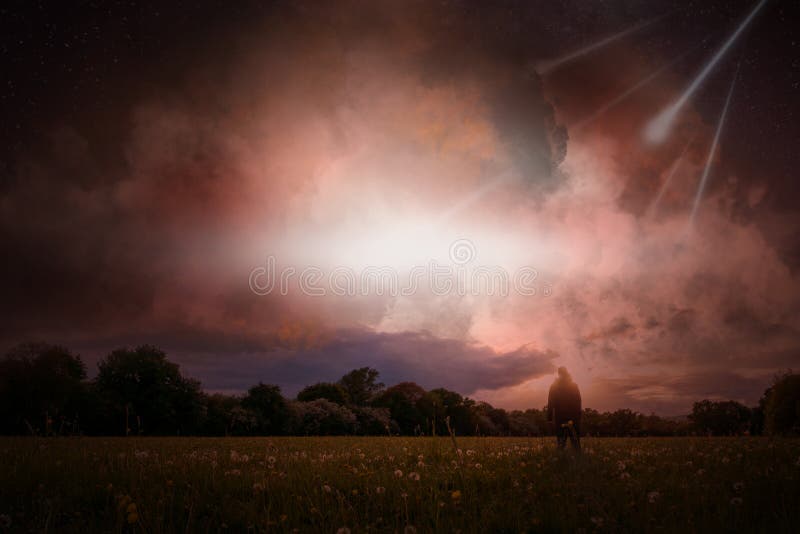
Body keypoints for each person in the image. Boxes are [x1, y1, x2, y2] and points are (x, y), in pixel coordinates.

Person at [547, 367, 582, 451]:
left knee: (561, 442)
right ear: (567, 372)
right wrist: (579, 415)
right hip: (573, 417)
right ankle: (577, 456)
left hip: (560, 416)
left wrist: (549, 418)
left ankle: (561, 456)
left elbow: (550, 403)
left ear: (558, 374)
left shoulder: (554, 386)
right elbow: (578, 401)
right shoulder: (574, 385)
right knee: (575, 442)